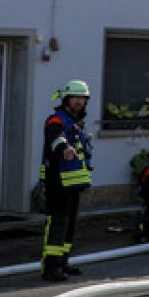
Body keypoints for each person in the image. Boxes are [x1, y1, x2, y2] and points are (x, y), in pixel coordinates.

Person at [40, 79, 94, 282]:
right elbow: (55, 138)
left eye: (82, 98)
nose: (79, 102)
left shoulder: (77, 123)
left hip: (73, 184)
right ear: (66, 99)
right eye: (75, 98)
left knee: (70, 224)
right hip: (58, 182)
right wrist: (65, 148)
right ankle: (51, 267)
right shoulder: (56, 120)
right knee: (57, 223)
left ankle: (63, 262)